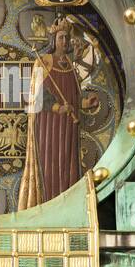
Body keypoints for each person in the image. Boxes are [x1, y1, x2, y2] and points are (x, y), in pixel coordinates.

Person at [18, 18, 98, 209]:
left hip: (68, 127)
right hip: (48, 127)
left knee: (67, 163)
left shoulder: (70, 65)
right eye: (61, 37)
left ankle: (67, 206)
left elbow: (74, 97)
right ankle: (47, 205)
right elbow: (36, 96)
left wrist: (86, 103)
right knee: (51, 163)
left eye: (67, 38)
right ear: (53, 40)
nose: (65, 42)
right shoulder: (43, 61)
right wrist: (57, 108)